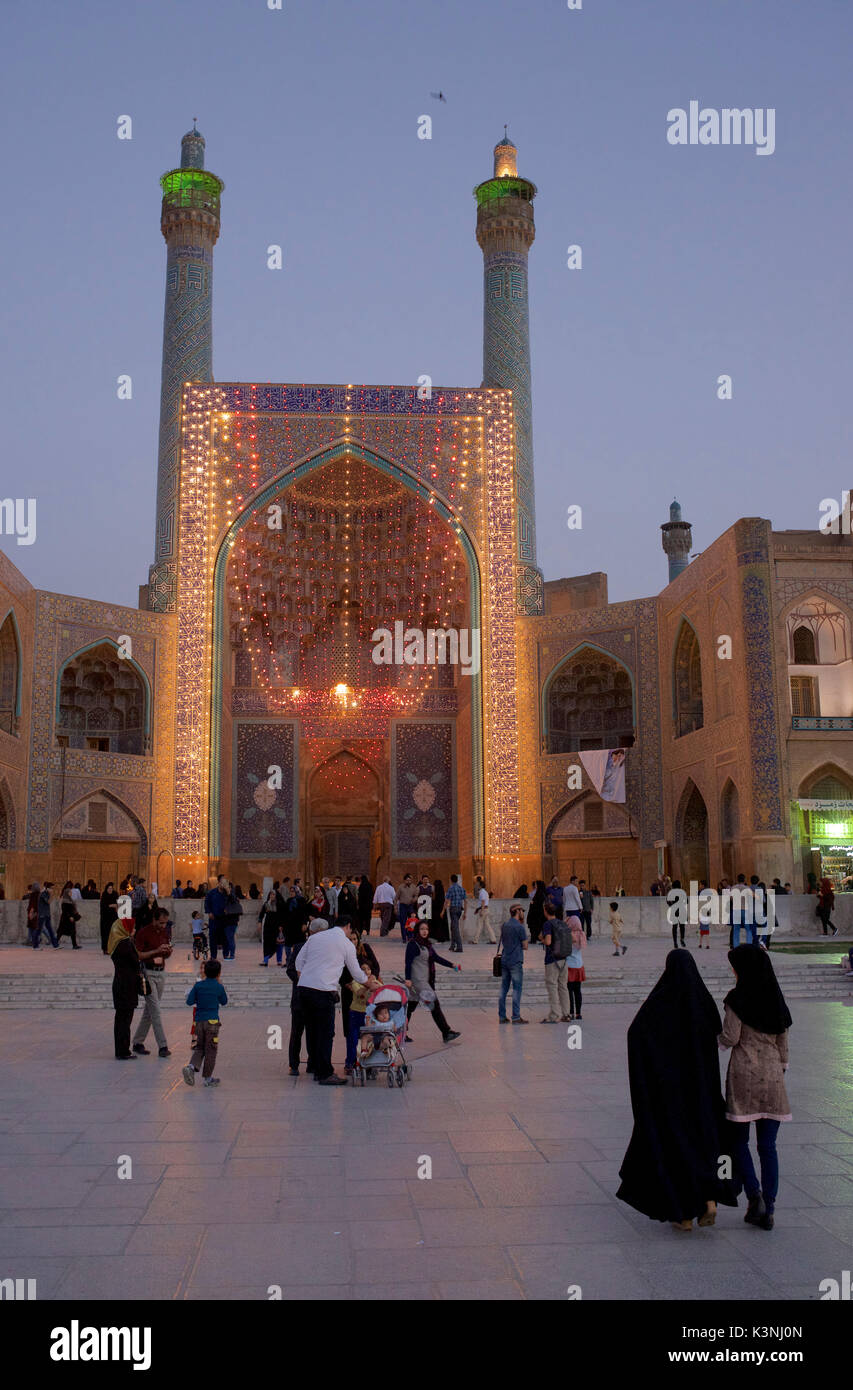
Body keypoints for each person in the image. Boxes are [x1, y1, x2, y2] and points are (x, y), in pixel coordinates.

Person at [617, 949, 738, 1230]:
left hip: (670, 1095)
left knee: (675, 1148)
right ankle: (709, 1199)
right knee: (706, 1144)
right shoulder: (704, 1003)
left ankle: (683, 1216)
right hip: (702, 1093)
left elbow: (635, 1033)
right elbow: (716, 1036)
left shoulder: (660, 1004)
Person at [718, 945, 792, 1231]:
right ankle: (770, 1208)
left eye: (735, 966)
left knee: (738, 1142)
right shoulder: (777, 999)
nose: (733, 971)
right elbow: (784, 1047)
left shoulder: (737, 999)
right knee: (768, 1146)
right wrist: (779, 1067)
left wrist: (715, 1040)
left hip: (744, 1076)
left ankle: (754, 1195)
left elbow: (731, 1036)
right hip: (773, 1077)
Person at [294, 919, 375, 1085]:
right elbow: (357, 973)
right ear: (347, 927)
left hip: (304, 990)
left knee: (313, 1030)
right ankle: (325, 1073)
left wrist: (307, 978)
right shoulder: (345, 943)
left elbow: (298, 962)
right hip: (323, 992)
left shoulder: (314, 938)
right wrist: (370, 985)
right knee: (326, 1033)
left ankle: (316, 1068)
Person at [404, 919, 461, 1041]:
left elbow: (436, 958)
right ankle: (446, 1032)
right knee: (434, 1004)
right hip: (418, 981)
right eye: (422, 929)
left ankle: (401, 1033)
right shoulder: (413, 944)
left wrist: (452, 965)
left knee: (410, 1007)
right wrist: (407, 979)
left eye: (426, 929)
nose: (424, 931)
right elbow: (408, 963)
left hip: (424, 980)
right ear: (417, 930)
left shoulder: (426, 944)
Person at [132, 910, 174, 1057]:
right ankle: (163, 1046)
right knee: (155, 1010)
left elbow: (166, 953)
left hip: (161, 971)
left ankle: (137, 1042)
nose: (163, 925)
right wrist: (156, 951)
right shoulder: (143, 933)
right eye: (161, 922)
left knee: (149, 1011)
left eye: (165, 923)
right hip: (148, 972)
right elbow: (138, 954)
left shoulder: (165, 932)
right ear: (154, 920)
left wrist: (167, 951)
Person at [183, 960, 229, 1087]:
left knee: (199, 1048)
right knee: (211, 1050)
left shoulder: (198, 986)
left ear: (205, 971)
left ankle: (191, 1067)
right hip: (212, 1023)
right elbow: (224, 1001)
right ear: (219, 973)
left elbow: (189, 1001)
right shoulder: (218, 986)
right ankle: (207, 1078)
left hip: (199, 1022)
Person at [343, 927, 382, 1074]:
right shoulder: (343, 951)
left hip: (368, 992)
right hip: (351, 994)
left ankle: (368, 1060)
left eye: (354, 939)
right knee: (351, 1030)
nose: (352, 942)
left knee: (369, 1031)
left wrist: (371, 979)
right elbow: (342, 974)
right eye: (350, 939)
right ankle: (351, 1061)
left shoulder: (365, 949)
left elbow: (375, 966)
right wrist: (350, 985)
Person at [108, 904, 144, 1060]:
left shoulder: (116, 945)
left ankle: (120, 1049)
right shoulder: (126, 945)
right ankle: (123, 1051)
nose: (134, 930)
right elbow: (136, 963)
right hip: (127, 987)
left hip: (120, 984)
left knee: (120, 1019)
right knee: (125, 1020)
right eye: (132, 928)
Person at [540, 902, 572, 1023]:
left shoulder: (548, 924)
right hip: (564, 959)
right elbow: (572, 938)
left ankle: (554, 1014)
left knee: (552, 987)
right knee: (563, 987)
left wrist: (542, 939)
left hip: (552, 960)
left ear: (545, 911)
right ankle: (566, 1013)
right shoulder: (562, 923)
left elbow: (548, 942)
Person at [497, 904, 529, 1024]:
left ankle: (502, 1016)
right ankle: (516, 1017)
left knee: (503, 988)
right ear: (517, 911)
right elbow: (525, 946)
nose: (523, 913)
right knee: (516, 989)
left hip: (504, 959)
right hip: (515, 960)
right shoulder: (520, 927)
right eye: (522, 911)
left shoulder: (504, 925)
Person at [565, 914, 586, 1020]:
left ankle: (571, 1012)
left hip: (569, 965)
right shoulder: (582, 934)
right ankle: (579, 1013)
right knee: (578, 990)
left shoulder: (568, 934)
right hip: (579, 965)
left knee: (569, 990)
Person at [204, 875, 230, 960]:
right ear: (218, 883)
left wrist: (228, 892)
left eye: (225, 883)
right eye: (222, 883)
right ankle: (213, 956)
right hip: (214, 919)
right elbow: (207, 903)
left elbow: (234, 902)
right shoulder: (211, 893)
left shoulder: (228, 893)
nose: (223, 884)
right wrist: (209, 912)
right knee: (213, 938)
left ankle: (225, 954)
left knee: (225, 937)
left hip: (225, 919)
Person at [444, 873, 467, 953]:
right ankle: (452, 945)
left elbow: (447, 901)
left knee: (455, 928)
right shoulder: (461, 889)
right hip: (459, 910)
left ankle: (459, 946)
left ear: (451, 880)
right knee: (453, 927)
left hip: (453, 909)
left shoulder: (451, 889)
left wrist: (443, 910)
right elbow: (465, 901)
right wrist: (465, 913)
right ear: (457, 880)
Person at [470, 875, 496, 944]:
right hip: (486, 909)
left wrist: (481, 910)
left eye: (478, 885)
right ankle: (493, 939)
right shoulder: (485, 892)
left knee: (479, 925)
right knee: (487, 925)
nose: (477, 886)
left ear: (480, 886)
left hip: (483, 910)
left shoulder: (482, 892)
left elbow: (483, 902)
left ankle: (475, 940)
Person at [56, 882, 82, 949]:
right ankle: (55, 942)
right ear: (67, 893)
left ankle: (74, 945)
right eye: (70, 892)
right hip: (66, 919)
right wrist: (70, 916)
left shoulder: (70, 900)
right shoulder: (65, 901)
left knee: (72, 932)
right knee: (61, 931)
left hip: (70, 918)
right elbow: (65, 910)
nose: (71, 893)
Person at [36, 882, 59, 948]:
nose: (52, 890)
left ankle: (55, 945)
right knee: (39, 930)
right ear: (47, 888)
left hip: (47, 914)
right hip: (42, 914)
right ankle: (35, 945)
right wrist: (52, 895)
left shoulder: (47, 894)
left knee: (50, 929)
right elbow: (48, 902)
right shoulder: (43, 894)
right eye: (51, 888)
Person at [99, 882, 119, 955]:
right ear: (106, 889)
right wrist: (110, 905)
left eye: (111, 888)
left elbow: (118, 904)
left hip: (113, 918)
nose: (110, 890)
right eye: (109, 888)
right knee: (105, 934)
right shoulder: (104, 896)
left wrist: (115, 905)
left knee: (113, 934)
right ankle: (105, 949)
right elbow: (103, 907)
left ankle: (113, 948)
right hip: (105, 919)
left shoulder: (115, 895)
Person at [526, 880, 546, 946]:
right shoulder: (538, 893)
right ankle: (534, 939)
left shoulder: (540, 894)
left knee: (536, 927)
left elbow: (539, 904)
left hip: (537, 914)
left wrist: (533, 903)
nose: (535, 886)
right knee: (534, 927)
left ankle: (537, 939)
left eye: (536, 885)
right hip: (535, 914)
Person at [431, 877, 447, 941]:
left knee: (438, 925)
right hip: (441, 911)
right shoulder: (442, 892)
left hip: (437, 912)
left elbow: (436, 903)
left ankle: (439, 937)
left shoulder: (437, 893)